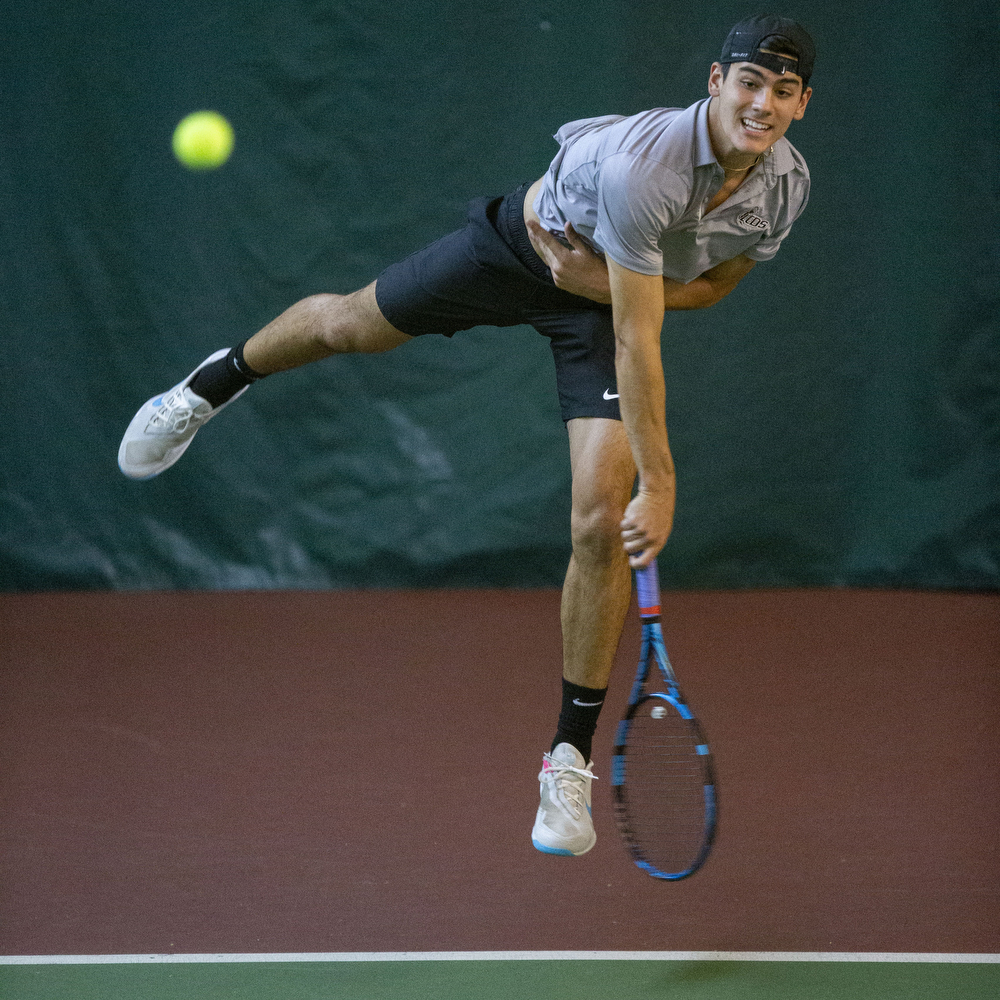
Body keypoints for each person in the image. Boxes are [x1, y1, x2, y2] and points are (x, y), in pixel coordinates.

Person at [118, 15, 814, 858]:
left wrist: (603, 284)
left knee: (598, 518)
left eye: (782, 91)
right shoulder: (649, 169)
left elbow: (712, 287)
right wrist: (663, 485)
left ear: (802, 103)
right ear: (715, 80)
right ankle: (209, 385)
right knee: (348, 327)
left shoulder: (785, 185)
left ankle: (567, 759)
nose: (762, 104)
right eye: (749, 82)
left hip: (605, 295)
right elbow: (639, 340)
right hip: (523, 250)